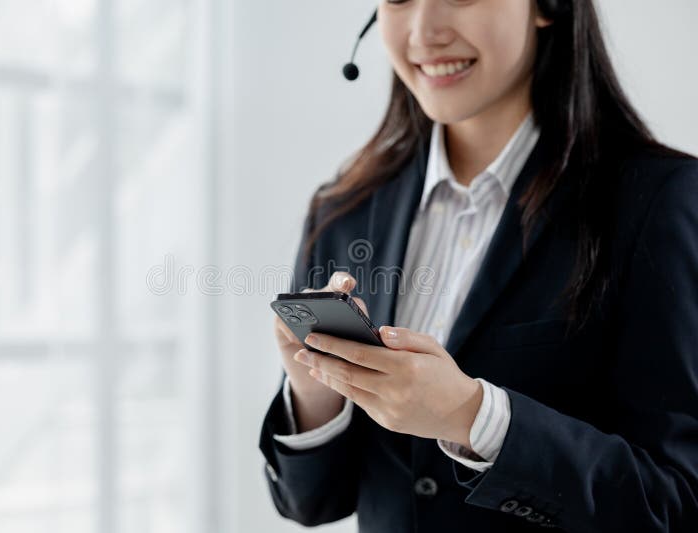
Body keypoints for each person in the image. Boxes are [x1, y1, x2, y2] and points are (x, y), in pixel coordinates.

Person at [259, 1, 698, 531]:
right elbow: (308, 503)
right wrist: (316, 390)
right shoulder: (344, 209)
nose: (425, 32)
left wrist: (472, 417)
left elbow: (676, 503)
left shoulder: (660, 201)